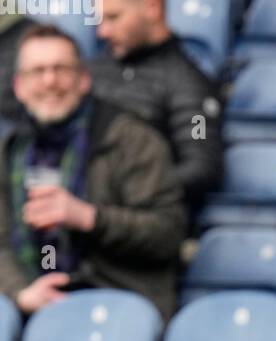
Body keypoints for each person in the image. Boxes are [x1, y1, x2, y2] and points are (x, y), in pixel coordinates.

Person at [0, 25, 185, 319]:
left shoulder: (133, 140)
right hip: (30, 308)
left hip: (118, 306)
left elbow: (167, 234)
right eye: (38, 71)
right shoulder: (10, 150)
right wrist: (21, 293)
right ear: (19, 87)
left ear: (83, 79)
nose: (50, 81)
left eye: (61, 69)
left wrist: (89, 218)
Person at [91, 0, 224, 214]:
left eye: (114, 18)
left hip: (141, 224)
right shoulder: (91, 73)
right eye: (99, 21)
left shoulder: (188, 84)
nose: (102, 32)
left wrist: (136, 192)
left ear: (152, 8)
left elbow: (201, 167)